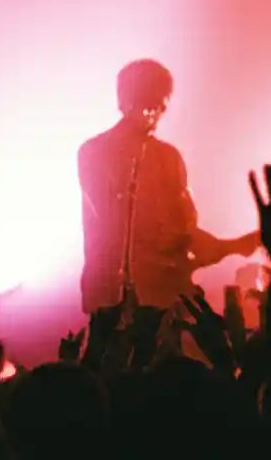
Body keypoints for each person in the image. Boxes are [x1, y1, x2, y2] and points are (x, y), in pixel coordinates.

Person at [77, 59, 258, 313]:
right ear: (124, 100)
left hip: (162, 297)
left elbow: (184, 229)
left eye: (160, 104)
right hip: (115, 300)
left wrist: (230, 246)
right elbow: (115, 221)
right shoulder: (95, 152)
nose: (155, 112)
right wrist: (222, 246)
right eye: (147, 102)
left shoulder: (168, 157)